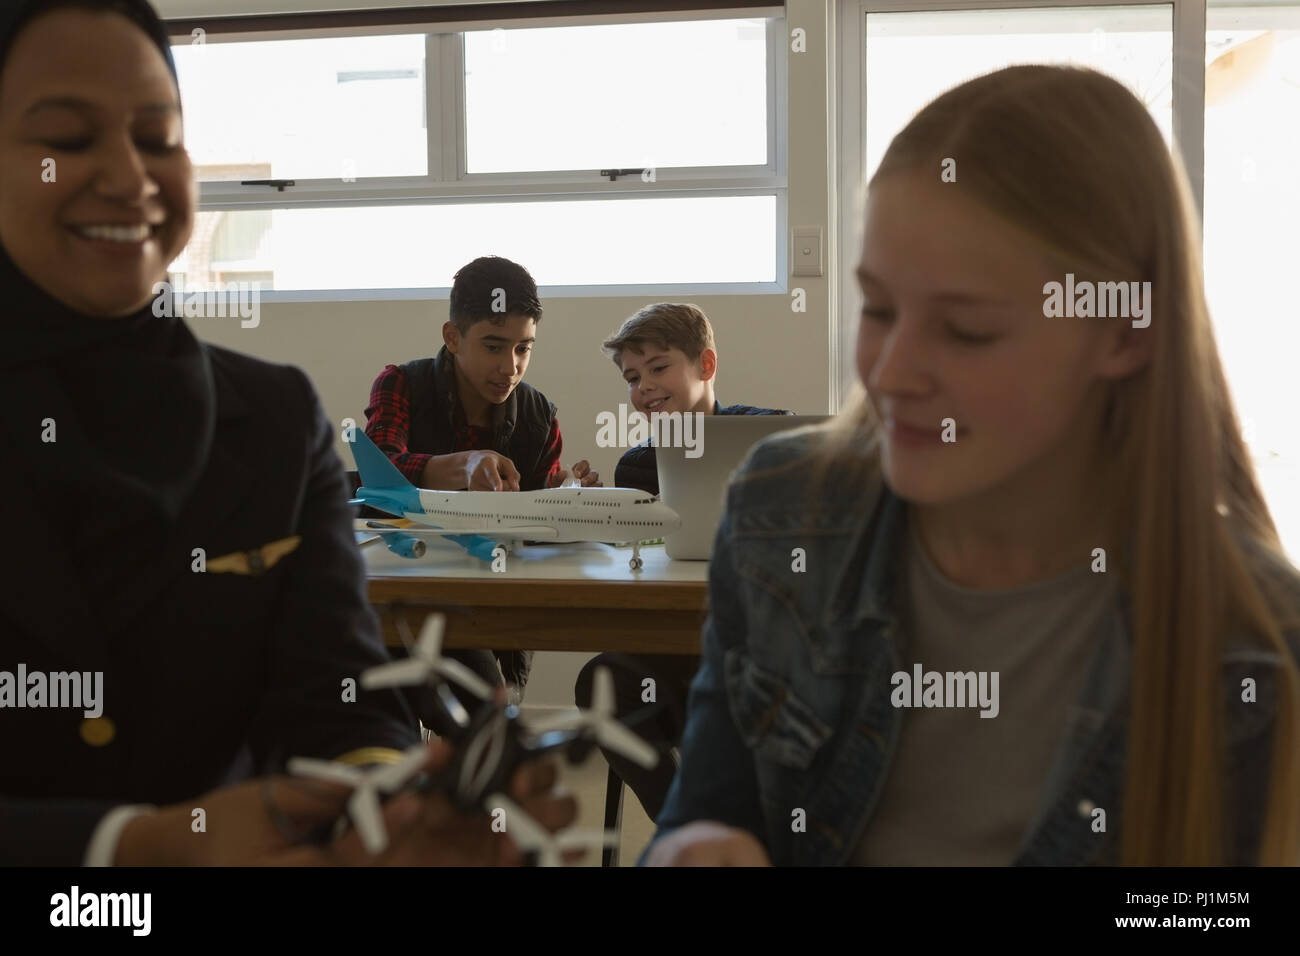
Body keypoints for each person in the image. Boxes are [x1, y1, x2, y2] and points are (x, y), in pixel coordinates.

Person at [643, 65, 1300, 866]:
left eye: (967, 331)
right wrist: (693, 845)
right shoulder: (781, 517)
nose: (888, 373)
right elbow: (706, 809)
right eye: (878, 309)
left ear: (1125, 333)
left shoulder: (1251, 647)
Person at [0, 0, 573, 866]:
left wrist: (388, 807)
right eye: (68, 141)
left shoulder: (271, 420)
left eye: (159, 139)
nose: (130, 177)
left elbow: (336, 699)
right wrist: (132, 850)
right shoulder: (393, 391)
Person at [574, 303, 792, 821]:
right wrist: (601, 512)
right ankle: (684, 822)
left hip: (757, 642)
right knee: (600, 683)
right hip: (670, 642)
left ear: (706, 366)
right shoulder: (636, 464)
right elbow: (633, 561)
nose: (644, 386)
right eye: (632, 376)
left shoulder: (769, 437)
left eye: (658, 367)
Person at [363, 256, 600, 701]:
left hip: (502, 603)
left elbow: (541, 519)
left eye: (523, 348)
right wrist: (459, 465)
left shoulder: (540, 415)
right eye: (494, 346)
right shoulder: (401, 385)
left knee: (494, 720)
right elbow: (378, 478)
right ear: (453, 337)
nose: (510, 366)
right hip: (407, 593)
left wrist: (571, 499)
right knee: (460, 723)